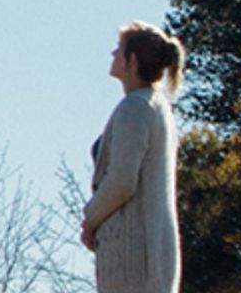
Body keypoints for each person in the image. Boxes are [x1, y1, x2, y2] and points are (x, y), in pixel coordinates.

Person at [81, 21, 183, 293]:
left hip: (134, 257)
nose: (113, 55)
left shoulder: (134, 108)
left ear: (132, 61)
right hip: (154, 255)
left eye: (119, 49)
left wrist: (91, 217)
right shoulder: (158, 108)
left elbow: (122, 180)